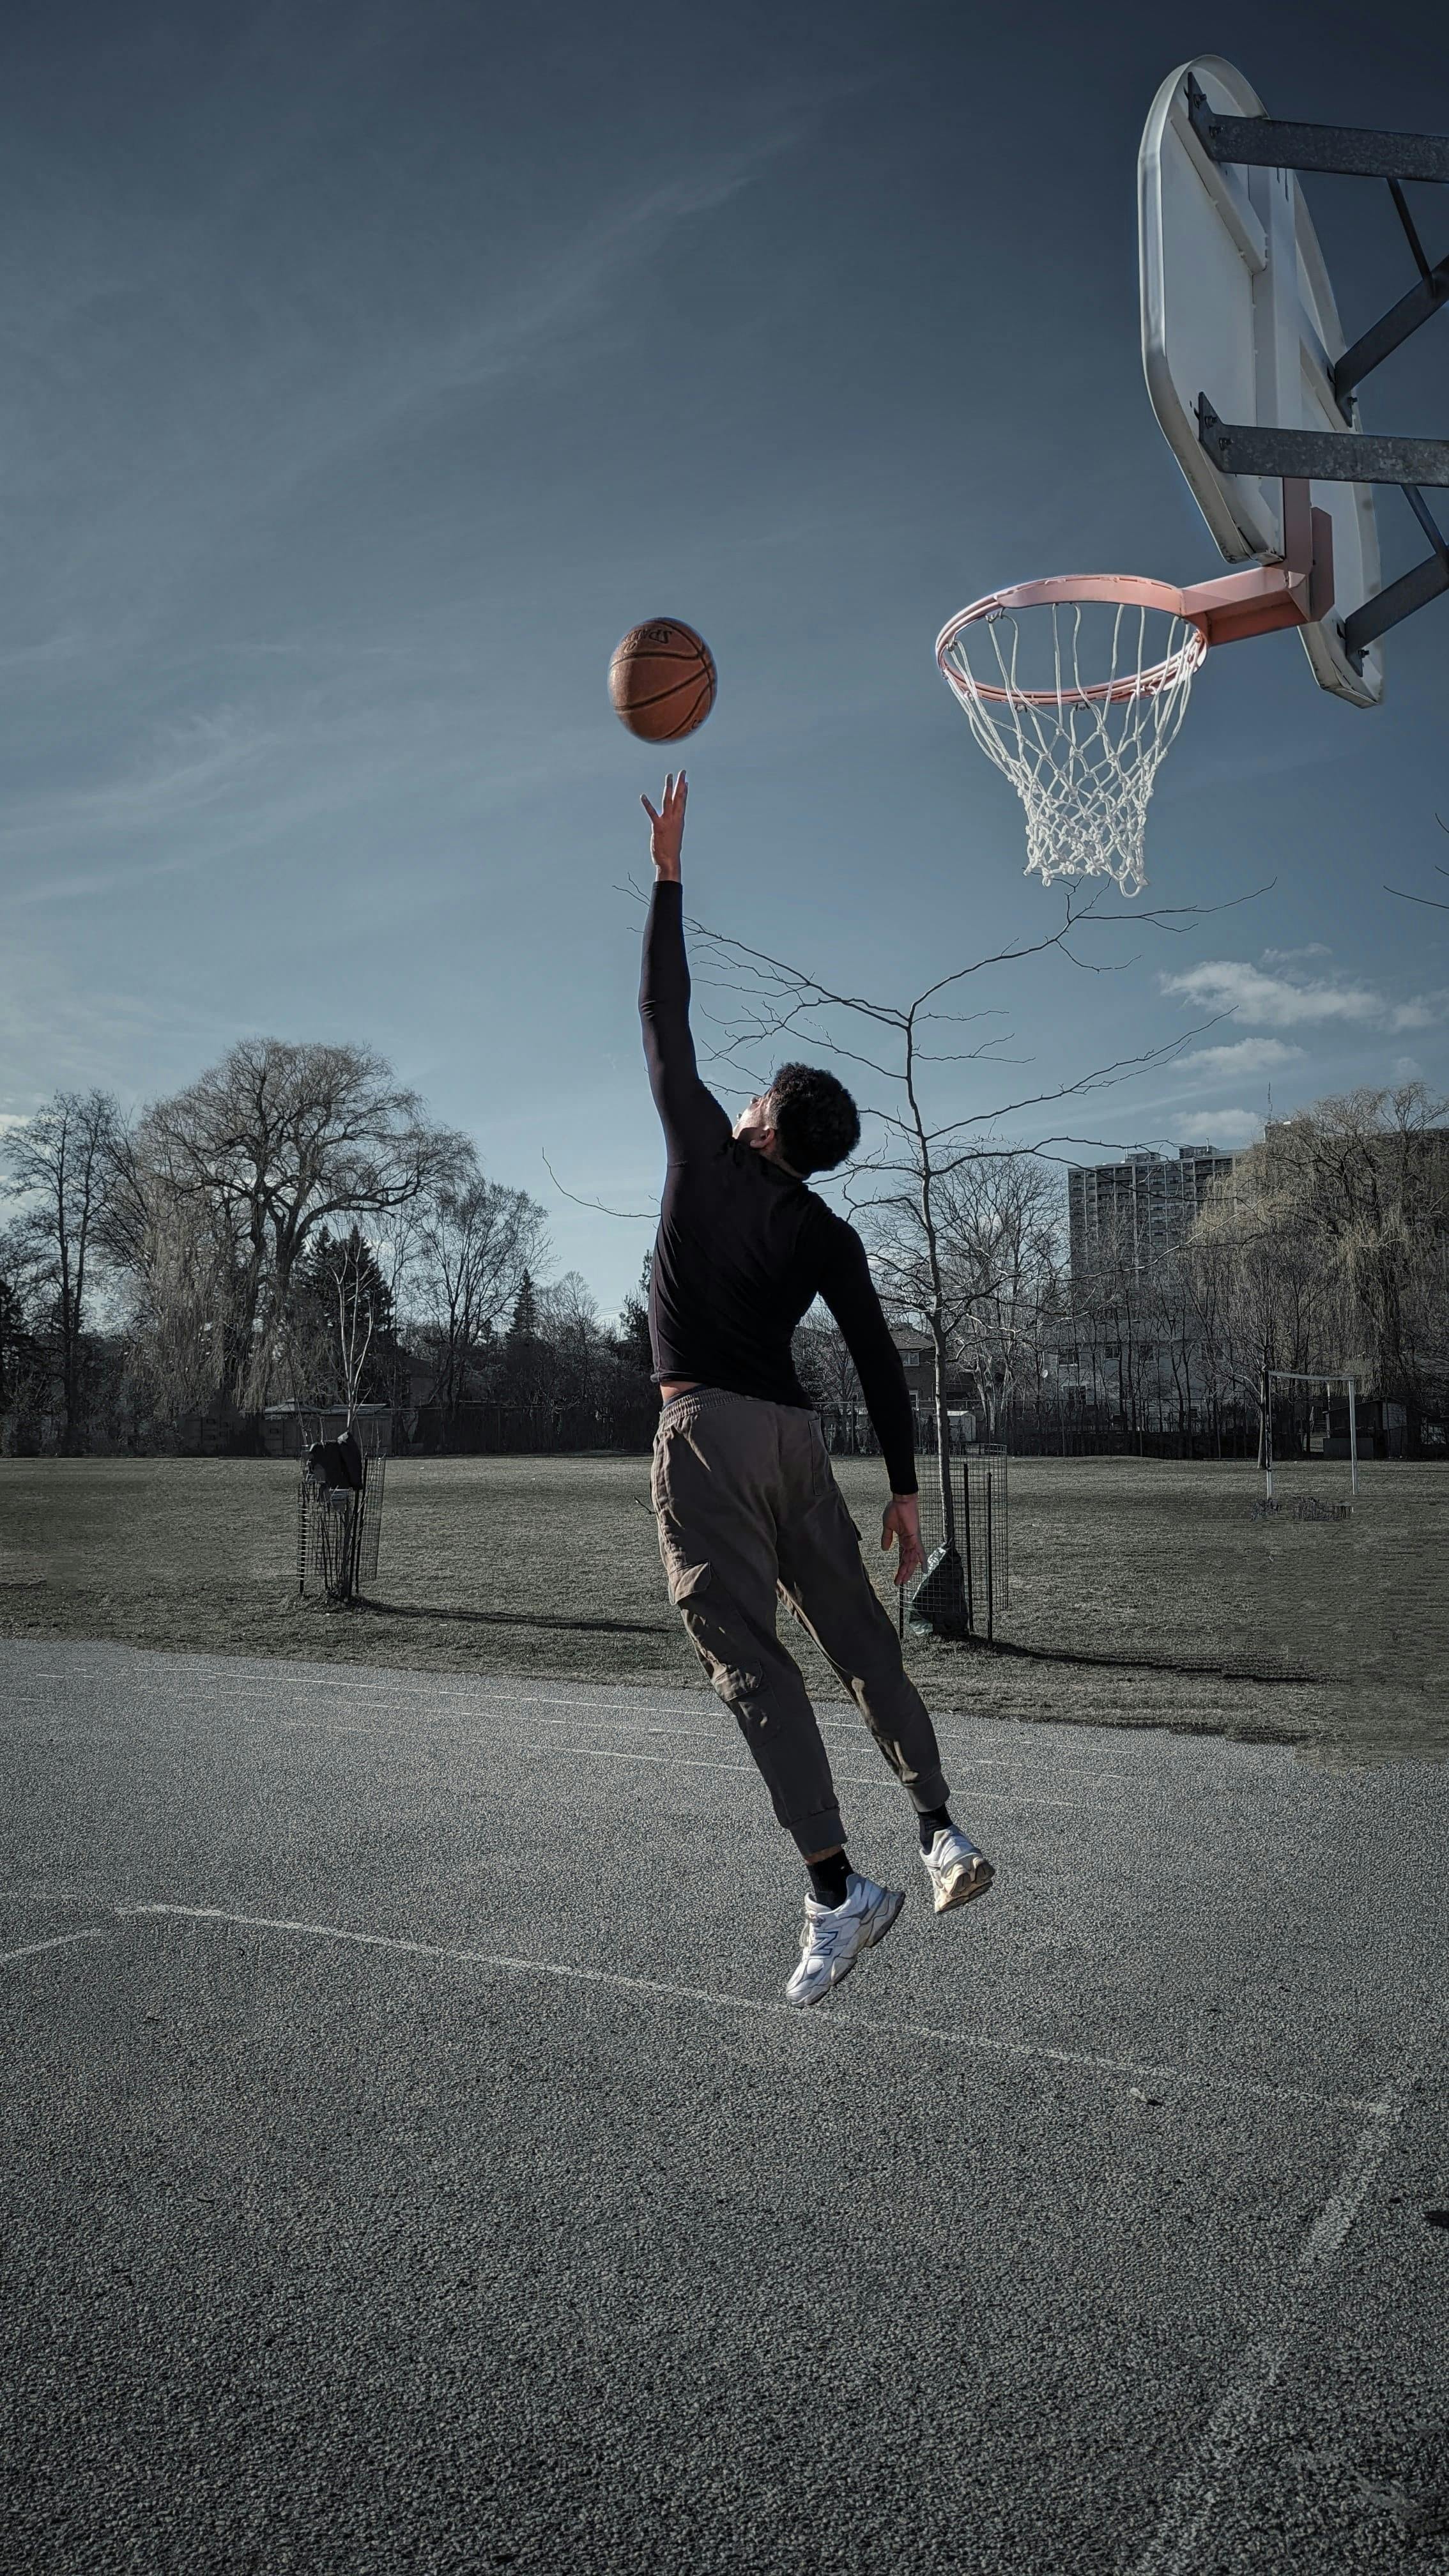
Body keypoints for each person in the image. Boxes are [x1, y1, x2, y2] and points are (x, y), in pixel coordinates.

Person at [638, 769, 993, 2009]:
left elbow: (662, 1014)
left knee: (749, 1661)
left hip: (707, 1436)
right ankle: (940, 1828)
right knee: (860, 1642)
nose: (736, 1098)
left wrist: (668, 874)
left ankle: (838, 1891)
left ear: (761, 1123)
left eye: (752, 1096)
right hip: (796, 1439)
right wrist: (904, 1490)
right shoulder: (827, 1231)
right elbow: (882, 1357)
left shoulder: (703, 1153)